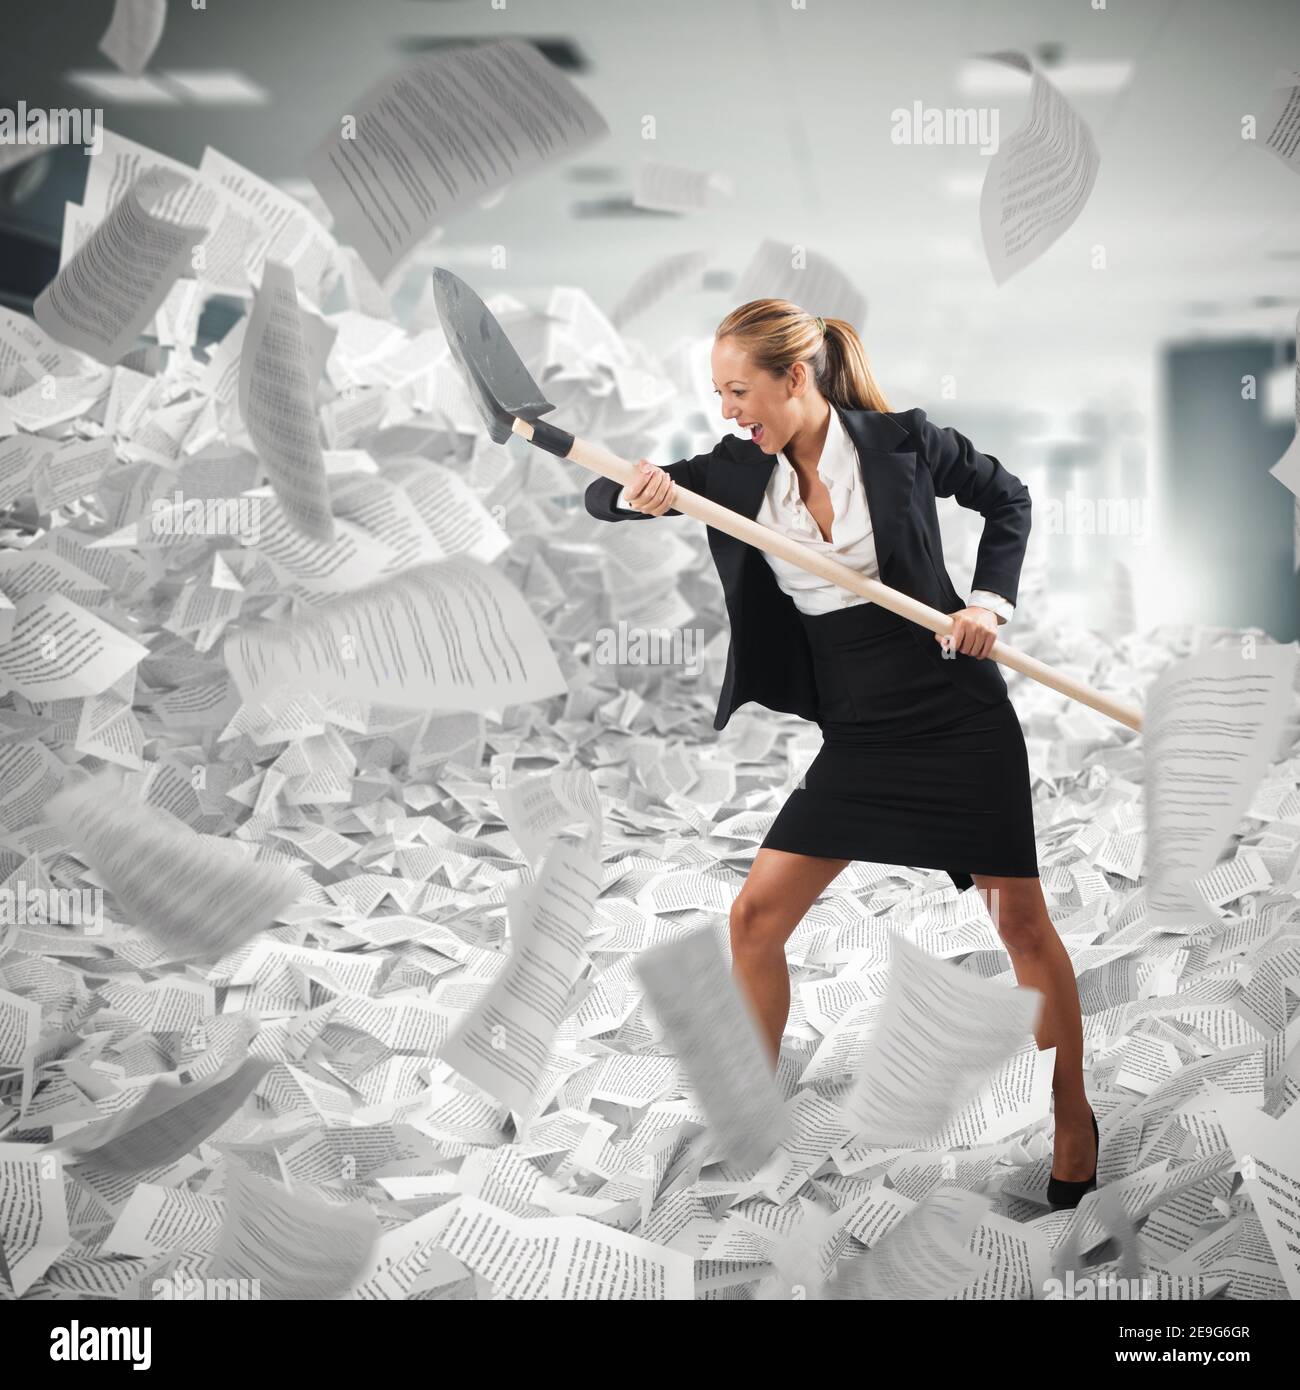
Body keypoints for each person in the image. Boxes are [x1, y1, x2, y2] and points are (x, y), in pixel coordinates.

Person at [584, 298, 1099, 1209]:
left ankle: (1071, 1116)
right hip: (859, 727)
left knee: (1018, 921)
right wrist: (635, 489)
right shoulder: (732, 472)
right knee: (754, 919)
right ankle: (751, 1110)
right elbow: (605, 494)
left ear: (798, 377)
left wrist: (988, 605)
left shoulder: (903, 441)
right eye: (717, 392)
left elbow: (1007, 497)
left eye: (741, 389)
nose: (728, 409)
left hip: (953, 707)